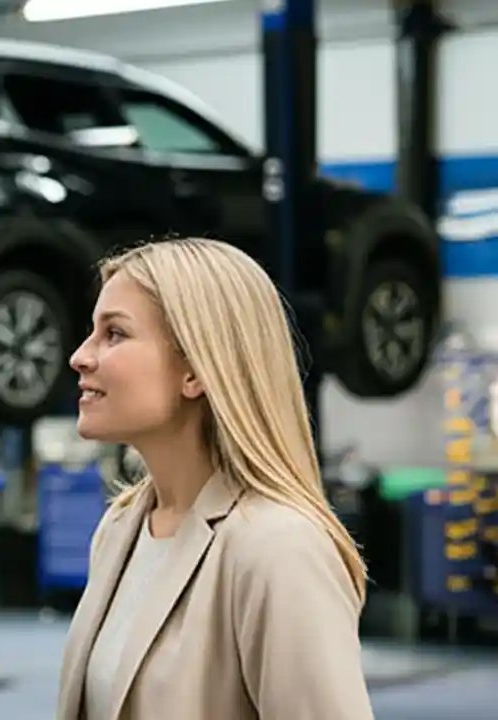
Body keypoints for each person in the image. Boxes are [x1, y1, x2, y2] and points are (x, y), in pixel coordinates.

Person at [56, 238, 373, 720]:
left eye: (114, 334)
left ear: (195, 370)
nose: (81, 356)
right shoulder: (120, 529)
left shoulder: (277, 548)